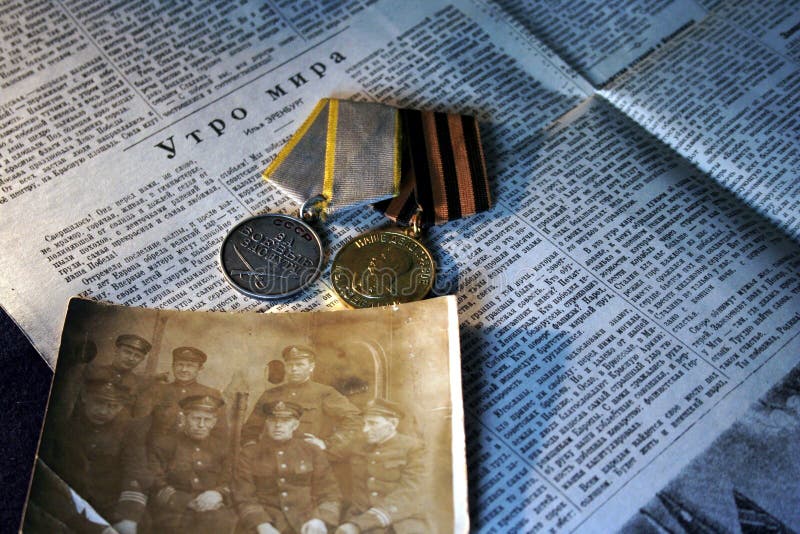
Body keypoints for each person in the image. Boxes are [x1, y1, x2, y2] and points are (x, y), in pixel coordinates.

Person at [37, 368, 151, 534]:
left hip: (112, 507)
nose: (104, 411)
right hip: (68, 504)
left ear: (121, 407)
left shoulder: (128, 432)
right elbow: (45, 477)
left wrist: (129, 518)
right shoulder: (62, 426)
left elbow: (135, 472)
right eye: (98, 402)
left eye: (113, 406)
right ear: (84, 397)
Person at [233, 401, 342, 533]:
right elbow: (244, 496)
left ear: (295, 425)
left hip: (307, 523)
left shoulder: (312, 451)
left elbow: (330, 493)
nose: (278, 425)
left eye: (285, 421)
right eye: (273, 420)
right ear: (266, 423)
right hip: (264, 523)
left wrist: (319, 520)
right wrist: (262, 525)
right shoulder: (250, 453)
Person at [241, 345, 360, 454]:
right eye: (290, 365)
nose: (294, 369)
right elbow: (250, 430)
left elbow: (355, 419)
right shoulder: (270, 395)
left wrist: (328, 444)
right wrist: (252, 451)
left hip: (309, 460)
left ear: (311, 367)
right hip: (271, 461)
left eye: (299, 365)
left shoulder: (324, 393)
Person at [147, 393, 237, 533]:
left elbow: (230, 478)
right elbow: (155, 481)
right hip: (175, 511)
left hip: (213, 508)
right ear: (184, 418)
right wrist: (187, 501)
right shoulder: (164, 444)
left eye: (207, 420)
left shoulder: (222, 447)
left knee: (224, 522)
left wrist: (218, 494)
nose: (201, 425)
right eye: (196, 418)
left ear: (214, 422)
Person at [335, 399, 427, 534]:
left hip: (396, 521)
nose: (365, 429)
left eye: (373, 423)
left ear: (393, 423)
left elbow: (410, 494)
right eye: (364, 423)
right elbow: (330, 456)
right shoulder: (358, 445)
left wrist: (360, 524)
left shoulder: (414, 448)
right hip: (356, 517)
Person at [133, 346, 225, 437]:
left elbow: (220, 432)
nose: (184, 370)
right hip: (158, 448)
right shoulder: (156, 390)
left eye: (190, 366)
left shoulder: (212, 394)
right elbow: (140, 427)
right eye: (180, 364)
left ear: (200, 369)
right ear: (173, 366)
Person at [88, 334, 152, 410]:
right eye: (127, 352)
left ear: (142, 359)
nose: (131, 358)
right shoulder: (94, 372)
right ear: (116, 351)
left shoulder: (138, 384)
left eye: (137, 356)